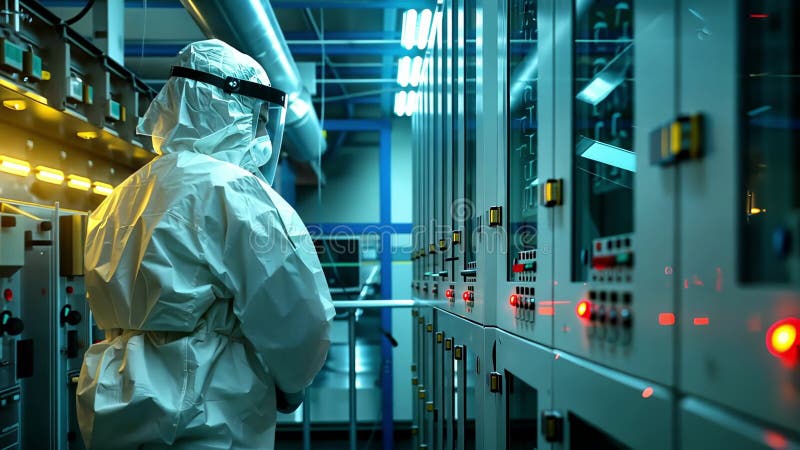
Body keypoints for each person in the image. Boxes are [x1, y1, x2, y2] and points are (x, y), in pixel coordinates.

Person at [76, 39, 335, 450]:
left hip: (116, 403)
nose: (263, 132)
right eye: (257, 118)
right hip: (207, 410)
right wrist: (293, 382)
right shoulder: (237, 193)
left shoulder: (122, 195)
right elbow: (294, 313)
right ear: (229, 108)